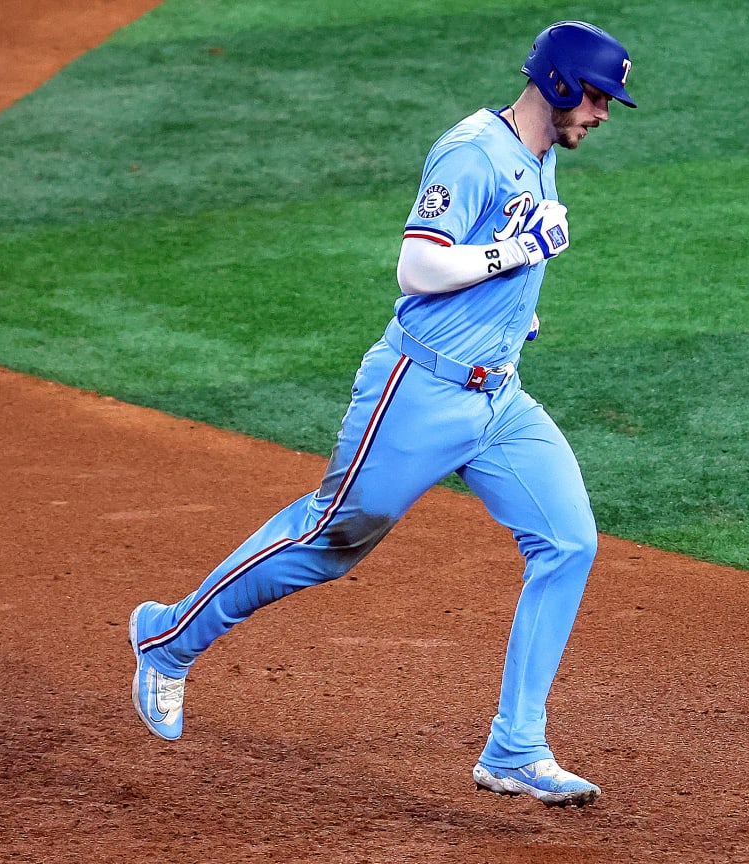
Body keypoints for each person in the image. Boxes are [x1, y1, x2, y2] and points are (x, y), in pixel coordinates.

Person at [128, 21, 635, 808]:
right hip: (419, 391)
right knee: (330, 540)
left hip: (499, 398)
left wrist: (512, 313)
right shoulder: (472, 153)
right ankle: (166, 640)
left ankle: (515, 748)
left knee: (568, 541)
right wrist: (517, 258)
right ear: (563, 84)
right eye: (600, 97)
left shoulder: (538, 155)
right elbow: (419, 263)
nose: (604, 115)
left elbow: (488, 260)